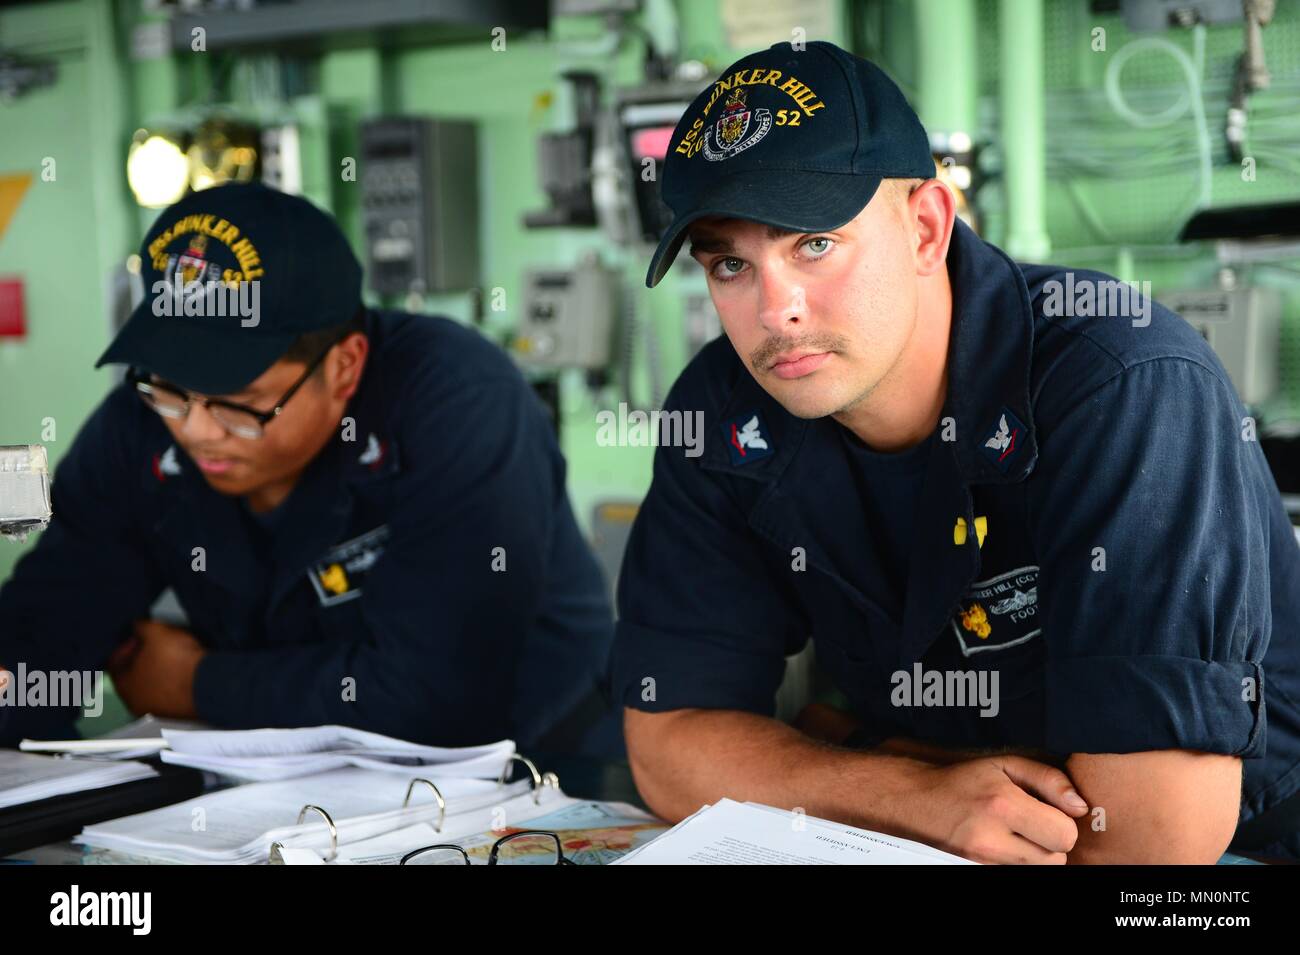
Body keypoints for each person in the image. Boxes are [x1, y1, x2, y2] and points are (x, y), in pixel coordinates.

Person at [611, 40, 1300, 862]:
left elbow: (1152, 837)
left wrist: (861, 756)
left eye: (815, 245)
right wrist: (910, 791)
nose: (775, 310)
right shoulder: (723, 407)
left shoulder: (1123, 383)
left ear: (926, 227)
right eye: (729, 263)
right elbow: (667, 744)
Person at [0, 181, 621, 759]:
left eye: (239, 404)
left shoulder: (460, 400)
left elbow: (439, 697)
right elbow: (48, 625)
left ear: (345, 366)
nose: (197, 430)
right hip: (273, 784)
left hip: (535, 762)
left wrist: (196, 683)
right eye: (170, 389)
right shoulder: (136, 425)